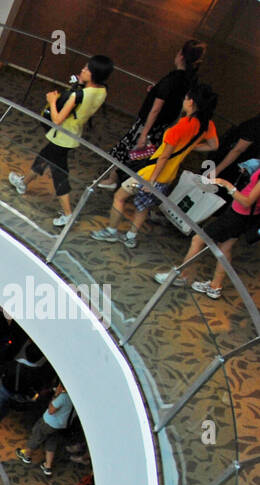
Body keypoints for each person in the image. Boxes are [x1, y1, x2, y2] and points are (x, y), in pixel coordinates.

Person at [91, 84, 219, 249]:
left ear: (191, 102)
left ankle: (111, 230)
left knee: (120, 196)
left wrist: (150, 181)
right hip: (169, 176)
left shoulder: (180, 127)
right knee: (143, 206)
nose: (184, 100)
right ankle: (131, 236)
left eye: (186, 98)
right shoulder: (206, 125)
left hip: (150, 173)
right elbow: (213, 145)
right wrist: (188, 147)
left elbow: (164, 156)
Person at [8, 55, 113, 227]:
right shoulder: (102, 91)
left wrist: (52, 101)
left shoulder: (79, 95)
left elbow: (57, 119)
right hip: (73, 134)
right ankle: (24, 182)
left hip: (62, 137)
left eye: (86, 69)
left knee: (59, 174)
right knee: (43, 157)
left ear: (93, 74)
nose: (82, 70)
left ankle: (68, 214)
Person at [98, 41, 206, 189]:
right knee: (140, 155)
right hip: (162, 127)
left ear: (181, 56)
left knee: (128, 151)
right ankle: (121, 180)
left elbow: (155, 109)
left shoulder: (171, 80)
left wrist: (144, 133)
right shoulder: (190, 80)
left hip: (148, 125)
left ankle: (114, 180)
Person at [153, 157, 260, 300]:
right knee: (225, 248)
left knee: (198, 239)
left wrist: (227, 185)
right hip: (245, 216)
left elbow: (247, 202)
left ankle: (182, 275)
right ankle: (215, 286)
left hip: (238, 215)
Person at [0, 342, 55, 444]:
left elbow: (3, 373)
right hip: (18, 396)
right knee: (3, 411)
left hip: (4, 390)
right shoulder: (36, 373)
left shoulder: (14, 364)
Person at [16, 383, 73, 477]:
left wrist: (56, 395)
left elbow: (51, 410)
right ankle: (48, 466)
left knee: (37, 436)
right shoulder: (76, 400)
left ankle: (26, 455)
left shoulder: (63, 397)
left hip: (49, 422)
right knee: (51, 442)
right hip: (60, 425)